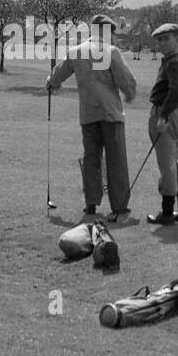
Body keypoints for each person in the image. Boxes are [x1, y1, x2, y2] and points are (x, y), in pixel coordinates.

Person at [46, 15, 137, 221]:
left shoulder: (75, 52)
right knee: (116, 161)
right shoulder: (111, 52)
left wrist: (52, 83)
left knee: (91, 159)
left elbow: (56, 76)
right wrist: (130, 94)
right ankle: (120, 206)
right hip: (111, 114)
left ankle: (91, 204)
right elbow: (127, 82)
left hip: (88, 114)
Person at [146, 22, 178, 226]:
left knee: (167, 166)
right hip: (175, 113)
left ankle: (167, 212)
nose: (162, 43)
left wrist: (163, 116)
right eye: (160, 40)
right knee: (173, 162)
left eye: (167, 39)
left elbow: (176, 92)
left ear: (176, 39)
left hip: (168, 114)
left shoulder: (174, 62)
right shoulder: (174, 60)